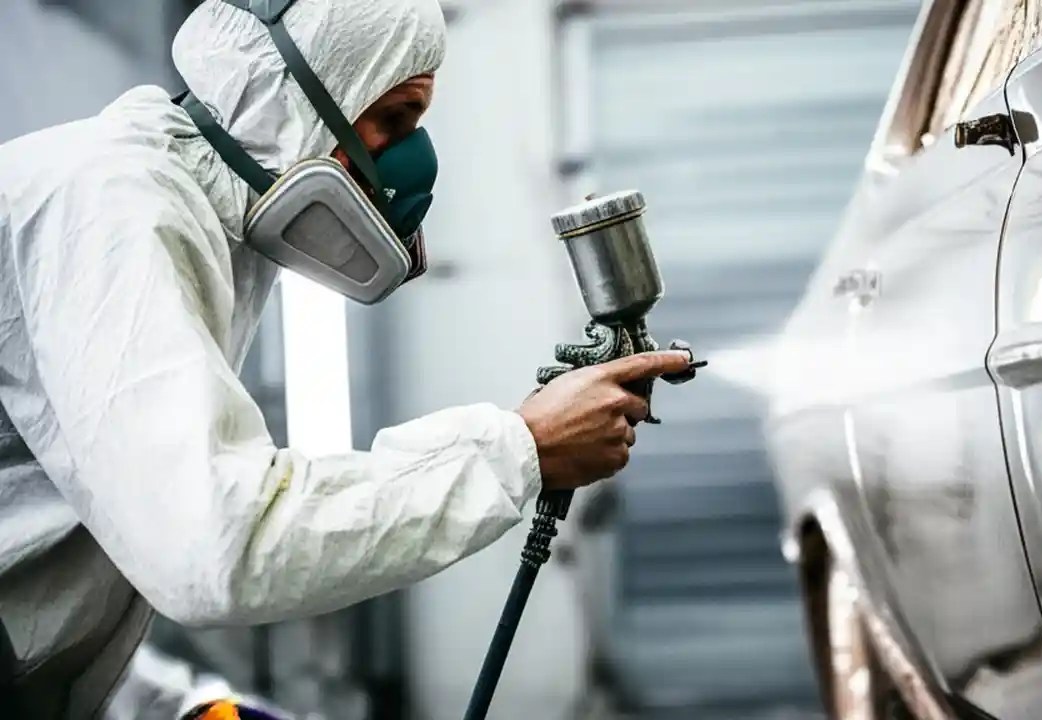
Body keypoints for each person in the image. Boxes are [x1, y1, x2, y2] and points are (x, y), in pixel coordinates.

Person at [0, 0, 689, 717]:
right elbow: (216, 548)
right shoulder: (111, 208)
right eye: (394, 119)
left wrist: (169, 708)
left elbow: (46, 566)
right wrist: (519, 450)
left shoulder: (198, 218)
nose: (409, 159)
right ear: (293, 94)